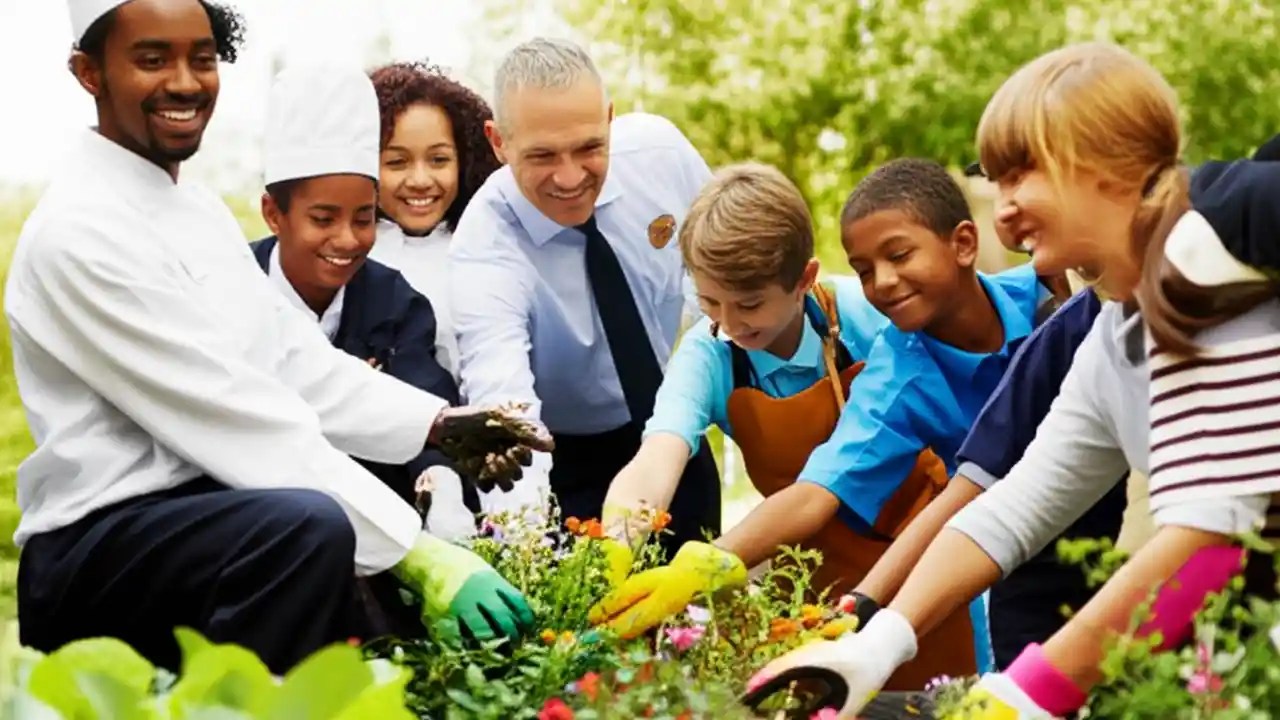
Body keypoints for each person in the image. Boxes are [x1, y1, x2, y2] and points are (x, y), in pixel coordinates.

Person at [9, 0, 550, 674]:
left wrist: (438, 423)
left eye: (201, 59)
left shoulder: (194, 210)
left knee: (327, 538)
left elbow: (288, 358)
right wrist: (419, 554)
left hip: (199, 522)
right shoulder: (79, 232)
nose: (184, 82)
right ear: (89, 73)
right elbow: (229, 409)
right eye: (152, 59)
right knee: (311, 526)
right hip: (98, 550)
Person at [749, 42, 1280, 720]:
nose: (1003, 211)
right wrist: (876, 643)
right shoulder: (1111, 330)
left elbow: (1207, 551)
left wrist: (1028, 694)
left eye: (1021, 177)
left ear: (1106, 167)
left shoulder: (1206, 285)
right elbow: (1013, 508)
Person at [592, 158, 1052, 686]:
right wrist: (616, 543)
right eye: (709, 301)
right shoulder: (711, 354)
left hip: (921, 549)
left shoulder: (883, 316)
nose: (728, 322)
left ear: (804, 280)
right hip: (806, 562)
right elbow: (659, 458)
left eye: (749, 304)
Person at [449, 37, 720, 552]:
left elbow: (728, 271)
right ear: (498, 142)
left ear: (610, 119)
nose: (571, 177)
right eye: (542, 155)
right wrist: (523, 544)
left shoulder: (662, 155)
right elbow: (507, 408)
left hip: (671, 430)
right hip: (561, 463)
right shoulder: (484, 248)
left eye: (590, 148)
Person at [248, 63, 479, 536]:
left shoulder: (395, 301)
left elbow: (426, 405)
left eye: (364, 217)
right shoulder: (234, 287)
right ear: (274, 214)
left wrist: (443, 489)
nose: (347, 239)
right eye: (323, 218)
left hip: (384, 521)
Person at [367, 60, 502, 385]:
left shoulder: (492, 245)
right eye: (397, 162)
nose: (420, 180)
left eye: (439, 160)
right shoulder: (349, 256)